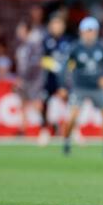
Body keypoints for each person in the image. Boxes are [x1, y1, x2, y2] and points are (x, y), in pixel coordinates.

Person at [60, 16, 103, 157]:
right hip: (80, 87)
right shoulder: (75, 47)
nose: (90, 33)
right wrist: (63, 86)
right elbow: (65, 66)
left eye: (92, 30)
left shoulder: (101, 46)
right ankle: (66, 142)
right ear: (82, 32)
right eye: (87, 30)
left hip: (97, 87)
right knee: (72, 117)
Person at [38, 14, 71, 146]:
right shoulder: (45, 41)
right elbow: (42, 59)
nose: (56, 27)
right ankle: (45, 130)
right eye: (54, 25)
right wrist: (55, 66)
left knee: (70, 103)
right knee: (45, 104)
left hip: (64, 79)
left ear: (63, 27)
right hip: (50, 79)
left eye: (59, 25)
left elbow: (71, 60)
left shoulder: (68, 41)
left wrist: (65, 69)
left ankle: (72, 130)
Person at [14, 20, 44, 136]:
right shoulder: (21, 47)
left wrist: (23, 77)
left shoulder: (33, 46)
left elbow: (34, 64)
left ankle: (44, 126)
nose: (19, 32)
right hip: (23, 79)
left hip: (33, 80)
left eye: (21, 30)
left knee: (36, 103)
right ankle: (22, 128)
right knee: (23, 103)